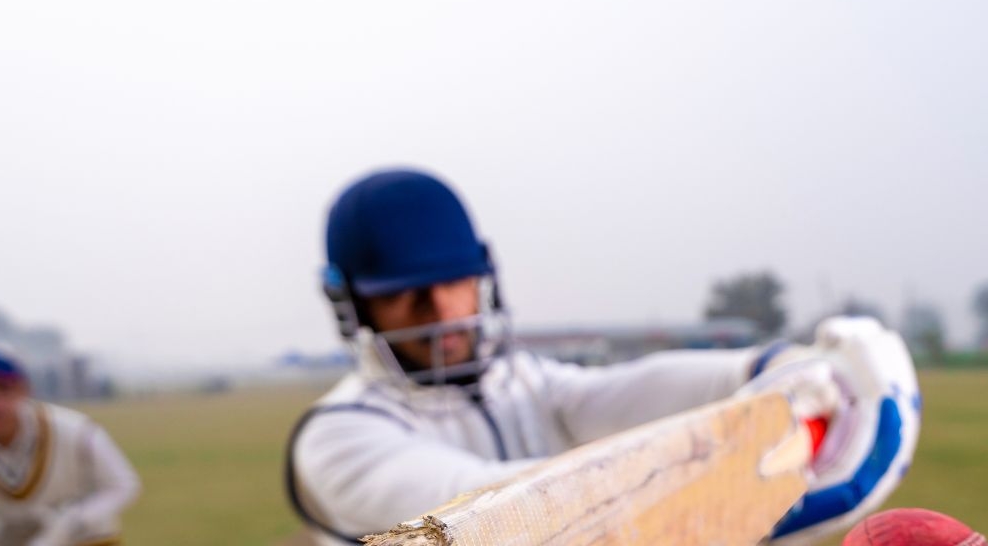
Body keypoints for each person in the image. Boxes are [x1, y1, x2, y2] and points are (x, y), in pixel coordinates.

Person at [285, 168, 920, 545]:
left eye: (457, 282)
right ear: (354, 306)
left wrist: (774, 370)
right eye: (406, 295)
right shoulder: (339, 437)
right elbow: (497, 516)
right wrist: (741, 494)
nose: (445, 311)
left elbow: (617, 392)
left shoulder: (521, 383)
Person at [0, 347, 140, 546]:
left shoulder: (76, 430)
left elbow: (124, 484)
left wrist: (70, 523)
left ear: (23, 390)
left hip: (85, 538)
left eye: (3, 389)